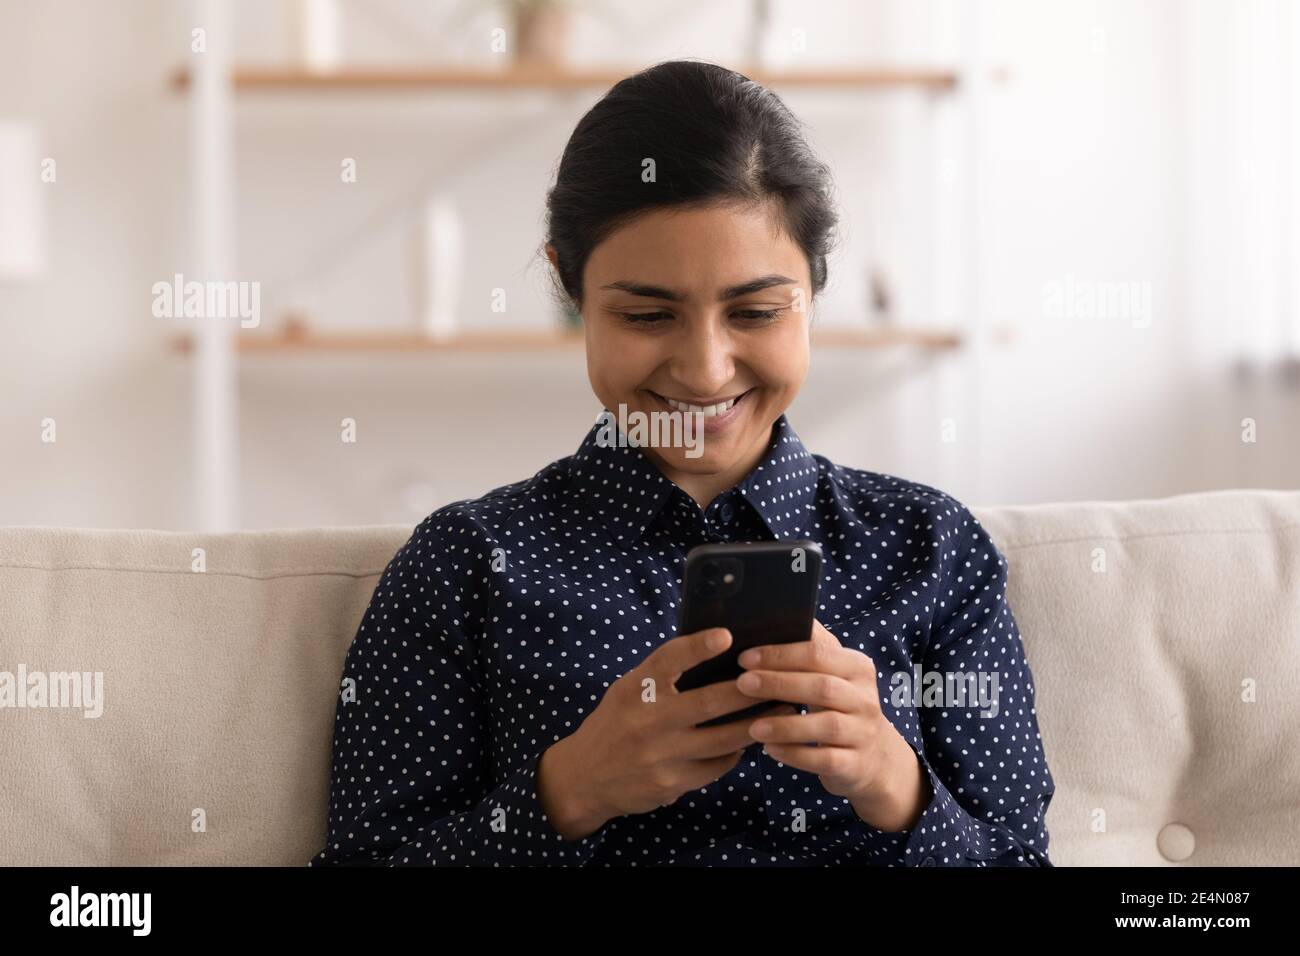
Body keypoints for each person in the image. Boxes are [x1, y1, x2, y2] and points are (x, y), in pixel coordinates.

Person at [310, 59, 1055, 867]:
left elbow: (1020, 857)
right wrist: (569, 790)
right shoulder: (465, 565)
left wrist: (892, 780)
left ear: (816, 289)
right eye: (646, 313)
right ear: (569, 286)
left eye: (756, 311)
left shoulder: (932, 549)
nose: (704, 369)